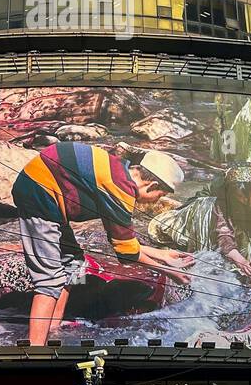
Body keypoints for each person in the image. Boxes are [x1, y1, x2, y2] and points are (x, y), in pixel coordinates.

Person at [11, 141, 195, 345]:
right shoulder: (120, 190)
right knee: (49, 280)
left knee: (73, 262)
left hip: (48, 191)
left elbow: (121, 241)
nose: (157, 200)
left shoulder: (120, 172)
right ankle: (35, 351)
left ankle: (53, 328)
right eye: (160, 195)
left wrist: (162, 254)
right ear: (152, 185)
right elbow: (126, 254)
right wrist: (170, 272)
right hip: (38, 194)